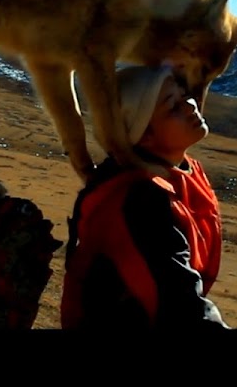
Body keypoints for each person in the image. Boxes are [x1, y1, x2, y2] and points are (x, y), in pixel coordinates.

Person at [60, 64, 228, 330]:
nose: (191, 106)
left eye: (184, 95)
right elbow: (178, 307)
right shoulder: (139, 201)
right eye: (173, 106)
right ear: (143, 135)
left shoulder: (182, 172)